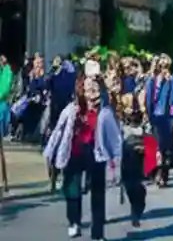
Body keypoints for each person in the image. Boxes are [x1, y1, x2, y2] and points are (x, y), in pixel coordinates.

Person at [44, 75, 122, 241]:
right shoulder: (72, 109)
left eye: (95, 88)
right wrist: (50, 153)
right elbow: (59, 131)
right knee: (72, 190)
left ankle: (98, 234)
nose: (92, 92)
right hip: (75, 153)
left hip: (97, 155)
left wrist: (117, 160)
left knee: (98, 194)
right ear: (82, 90)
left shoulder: (105, 112)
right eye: (88, 88)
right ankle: (74, 222)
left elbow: (115, 138)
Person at [116, 86, 148, 228]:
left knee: (139, 191)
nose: (132, 111)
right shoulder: (120, 125)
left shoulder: (143, 124)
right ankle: (135, 213)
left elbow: (151, 143)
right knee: (131, 188)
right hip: (126, 162)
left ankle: (136, 212)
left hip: (139, 162)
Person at [144, 55, 173, 187]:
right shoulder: (152, 81)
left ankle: (163, 174)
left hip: (166, 117)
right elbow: (148, 99)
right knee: (153, 145)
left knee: (164, 147)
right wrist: (147, 114)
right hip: (154, 116)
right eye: (162, 67)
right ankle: (153, 172)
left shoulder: (172, 80)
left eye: (166, 67)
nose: (164, 69)